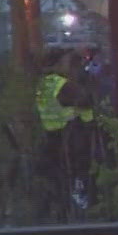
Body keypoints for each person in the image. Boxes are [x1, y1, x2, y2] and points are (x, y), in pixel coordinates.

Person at [37, 48, 100, 212]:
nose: (70, 64)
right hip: (71, 139)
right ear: (58, 63)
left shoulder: (44, 83)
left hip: (52, 137)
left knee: (59, 182)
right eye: (67, 61)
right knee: (76, 178)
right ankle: (80, 204)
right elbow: (85, 102)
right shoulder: (63, 85)